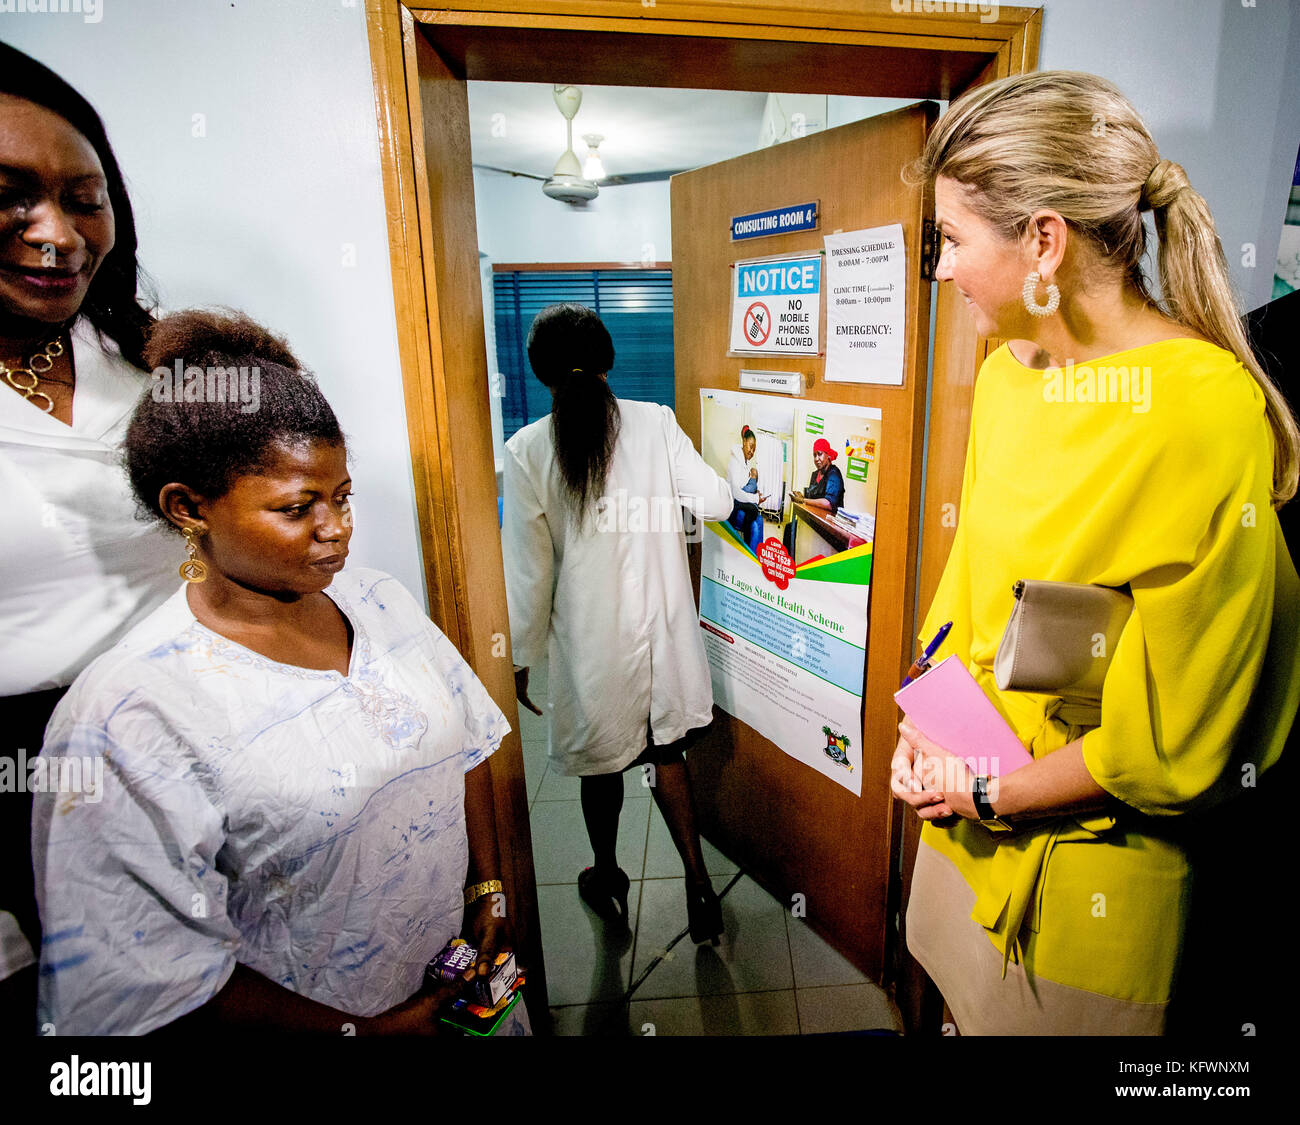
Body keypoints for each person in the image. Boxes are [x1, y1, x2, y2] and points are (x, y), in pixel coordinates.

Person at [890, 70, 1300, 1035]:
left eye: (951, 239)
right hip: (962, 840)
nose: (939, 268)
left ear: (1043, 240)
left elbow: (1181, 740)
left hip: (1089, 880)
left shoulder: (1204, 413)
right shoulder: (1005, 380)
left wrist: (988, 790)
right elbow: (965, 595)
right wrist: (923, 730)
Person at [31, 310, 516, 1035]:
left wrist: (486, 884)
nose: (337, 528)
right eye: (298, 507)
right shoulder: (129, 714)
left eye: (342, 495)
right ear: (189, 508)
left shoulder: (376, 598)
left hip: (455, 993)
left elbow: (467, 743)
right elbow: (145, 977)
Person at [0, 43, 175, 1031]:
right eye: (9, 195)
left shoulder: (148, 354)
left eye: (84, 197)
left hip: (187, 721)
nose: (57, 234)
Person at [502, 303, 734, 942]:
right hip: (662, 643)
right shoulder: (654, 424)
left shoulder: (525, 451)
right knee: (667, 757)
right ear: (607, 359)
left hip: (592, 653)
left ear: (540, 372)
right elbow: (714, 501)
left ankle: (606, 877)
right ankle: (699, 886)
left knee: (601, 767)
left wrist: (520, 656)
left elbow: (529, 572)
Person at [783, 437, 845, 557]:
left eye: (820, 454)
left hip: (829, 527)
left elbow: (828, 503)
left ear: (828, 455)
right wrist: (801, 495)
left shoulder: (834, 474)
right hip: (812, 520)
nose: (816, 459)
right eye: (814, 455)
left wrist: (803, 500)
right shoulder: (815, 474)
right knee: (789, 529)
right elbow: (812, 497)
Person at [726, 425, 767, 553]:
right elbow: (736, 493)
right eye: (750, 446)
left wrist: (755, 493)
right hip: (732, 506)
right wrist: (755, 498)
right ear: (744, 442)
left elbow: (745, 489)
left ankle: (756, 560)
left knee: (759, 519)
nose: (752, 451)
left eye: (754, 449)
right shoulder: (735, 460)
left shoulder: (746, 462)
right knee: (755, 525)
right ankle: (750, 561)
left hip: (741, 503)